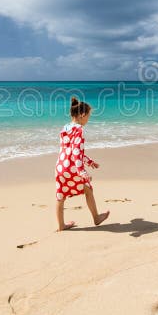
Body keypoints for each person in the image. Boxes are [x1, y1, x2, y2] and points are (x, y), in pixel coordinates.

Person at [55, 97, 110, 231]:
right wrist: (82, 171)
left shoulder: (65, 128)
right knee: (88, 190)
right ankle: (96, 218)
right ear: (82, 115)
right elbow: (76, 150)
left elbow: (69, 150)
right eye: (88, 116)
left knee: (60, 196)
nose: (88, 119)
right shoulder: (79, 129)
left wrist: (89, 162)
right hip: (73, 167)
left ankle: (61, 226)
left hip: (61, 166)